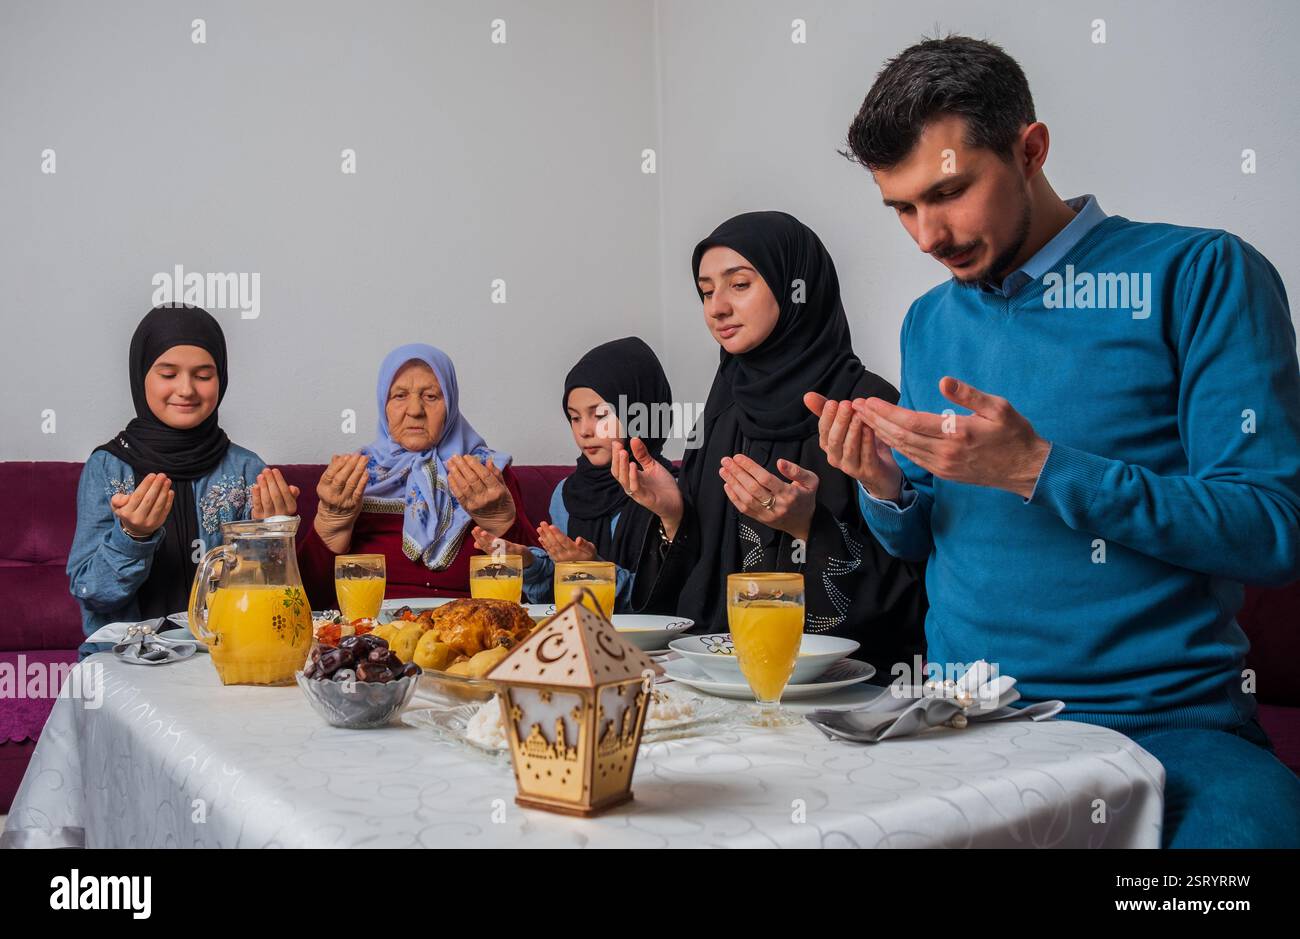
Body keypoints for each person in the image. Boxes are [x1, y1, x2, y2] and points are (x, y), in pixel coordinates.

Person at [821, 34, 1300, 846]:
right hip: (960, 723)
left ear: (1031, 149)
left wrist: (1041, 468)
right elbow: (920, 532)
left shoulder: (1201, 273)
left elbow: (1272, 528)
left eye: (949, 191)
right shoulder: (930, 319)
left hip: (1161, 728)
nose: (927, 236)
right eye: (901, 208)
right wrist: (886, 488)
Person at [614, 211, 927, 672]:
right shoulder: (722, 408)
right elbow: (696, 585)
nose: (716, 307)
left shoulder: (865, 406)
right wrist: (672, 513)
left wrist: (808, 527)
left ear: (796, 286)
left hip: (834, 688)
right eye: (705, 291)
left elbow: (913, 579)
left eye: (739, 285)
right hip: (720, 676)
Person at [67, 305, 295, 655]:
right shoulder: (108, 467)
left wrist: (271, 538)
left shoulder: (248, 470)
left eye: (203, 375)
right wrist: (132, 537)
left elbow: (275, 601)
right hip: (124, 661)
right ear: (141, 374)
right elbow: (93, 593)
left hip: (225, 654)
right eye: (168, 373)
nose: (186, 389)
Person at [297, 343, 537, 609]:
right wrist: (331, 525)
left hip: (471, 622)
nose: (415, 410)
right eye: (399, 396)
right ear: (383, 404)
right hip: (369, 625)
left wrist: (502, 523)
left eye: (431, 396)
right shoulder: (352, 476)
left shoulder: (485, 474)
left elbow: (537, 587)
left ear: (451, 403)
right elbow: (309, 599)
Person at [471, 336, 674, 612]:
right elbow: (558, 595)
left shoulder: (670, 492)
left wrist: (594, 571)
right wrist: (528, 563)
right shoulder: (566, 494)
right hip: (579, 638)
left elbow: (672, 594)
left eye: (600, 415)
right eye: (575, 417)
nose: (584, 430)